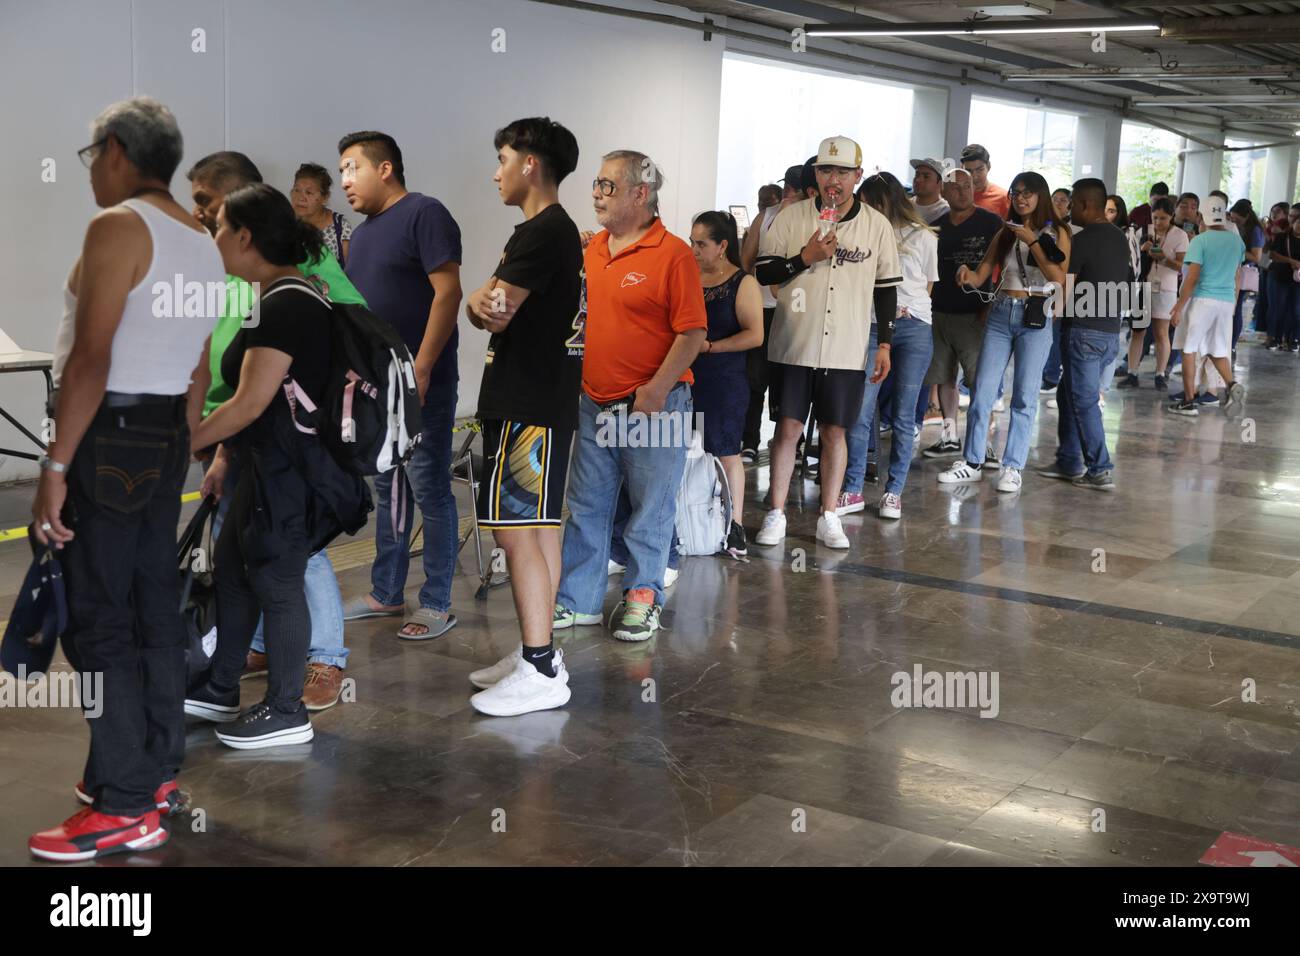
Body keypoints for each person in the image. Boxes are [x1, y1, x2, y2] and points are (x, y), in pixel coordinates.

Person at [28, 97, 224, 861]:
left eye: (90, 160)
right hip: (163, 433)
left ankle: (121, 805)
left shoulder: (119, 228)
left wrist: (54, 466)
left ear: (114, 151)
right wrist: (176, 441)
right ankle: (152, 771)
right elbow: (201, 366)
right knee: (149, 608)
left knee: (100, 618)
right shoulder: (202, 239)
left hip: (107, 434)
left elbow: (90, 358)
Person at [184, 184, 370, 748]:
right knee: (239, 571)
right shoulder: (284, 294)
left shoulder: (285, 304)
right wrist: (222, 457)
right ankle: (220, 687)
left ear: (244, 236)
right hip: (268, 466)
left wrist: (185, 440)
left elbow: (250, 401)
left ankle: (286, 710)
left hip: (294, 474)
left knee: (278, 581)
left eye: (218, 226)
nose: (212, 237)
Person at [553, 150, 706, 642]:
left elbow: (693, 334)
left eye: (608, 186)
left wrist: (656, 390)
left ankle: (643, 596)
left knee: (649, 507)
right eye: (596, 184)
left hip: (651, 405)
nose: (597, 193)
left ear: (641, 194)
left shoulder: (673, 254)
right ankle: (578, 601)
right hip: (595, 400)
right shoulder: (594, 248)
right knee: (587, 505)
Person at [461, 117, 582, 716]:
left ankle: (538, 666)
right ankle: (542, 651)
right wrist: (473, 301)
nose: (496, 171)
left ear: (529, 164)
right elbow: (483, 303)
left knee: (515, 533)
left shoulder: (545, 232)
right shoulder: (544, 232)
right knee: (538, 528)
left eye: (503, 158)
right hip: (539, 401)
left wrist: (475, 302)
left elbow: (495, 309)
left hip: (527, 404)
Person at [339, 131, 463, 640]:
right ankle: (387, 593)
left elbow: (448, 291)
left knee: (429, 487)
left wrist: (425, 366)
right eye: (342, 171)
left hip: (420, 384)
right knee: (389, 487)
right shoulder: (364, 233)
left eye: (352, 168)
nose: (344, 181)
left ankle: (436, 601)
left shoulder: (424, 213)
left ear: (385, 168)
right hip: (379, 386)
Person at [754, 136, 901, 549]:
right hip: (794, 344)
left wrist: (885, 344)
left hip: (847, 347)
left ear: (858, 175)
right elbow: (765, 274)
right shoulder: (790, 218)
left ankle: (829, 515)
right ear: (814, 175)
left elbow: (886, 289)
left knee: (836, 431)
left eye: (841, 172)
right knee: (788, 428)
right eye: (824, 171)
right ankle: (776, 513)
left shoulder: (876, 225)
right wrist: (804, 257)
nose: (832, 180)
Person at [938, 171, 1069, 494]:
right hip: (1001, 313)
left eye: (1027, 193)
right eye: (1015, 193)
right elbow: (982, 274)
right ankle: (971, 461)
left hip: (1035, 318)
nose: (1020, 198)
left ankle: (1012, 467)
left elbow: (1058, 277)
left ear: (1041, 195)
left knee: (1024, 396)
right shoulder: (1005, 232)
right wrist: (967, 274)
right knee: (982, 390)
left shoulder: (1058, 231)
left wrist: (1032, 240)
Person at [841, 171, 937, 520]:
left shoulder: (924, 236)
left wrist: (901, 313)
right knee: (860, 410)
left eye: (868, 200)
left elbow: (927, 285)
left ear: (884, 200)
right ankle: (852, 488)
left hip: (914, 328)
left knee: (903, 413)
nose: (862, 206)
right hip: (868, 326)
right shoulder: (863, 232)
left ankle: (893, 491)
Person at [1038, 179, 1130, 491]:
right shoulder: (1120, 238)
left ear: (1086, 205)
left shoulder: (1084, 239)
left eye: (1073, 203)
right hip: (1109, 333)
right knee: (1068, 393)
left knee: (1084, 401)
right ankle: (1068, 460)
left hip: (1084, 333)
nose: (1070, 209)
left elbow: (1065, 283)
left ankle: (1099, 468)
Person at [689, 211, 763, 549]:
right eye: (692, 242)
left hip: (725, 378)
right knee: (685, 450)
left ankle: (735, 525)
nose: (694, 250)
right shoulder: (689, 277)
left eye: (701, 244)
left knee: (725, 452)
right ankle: (689, 518)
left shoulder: (742, 282)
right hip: (687, 377)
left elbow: (755, 335)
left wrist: (713, 347)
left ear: (721, 246)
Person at [921, 167, 1002, 461]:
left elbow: (1003, 266)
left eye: (968, 186)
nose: (964, 192)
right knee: (944, 377)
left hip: (975, 313)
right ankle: (949, 434)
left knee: (980, 380)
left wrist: (990, 303)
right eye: (956, 188)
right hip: (940, 311)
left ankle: (985, 443)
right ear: (944, 191)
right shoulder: (936, 226)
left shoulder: (991, 222)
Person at [739, 166, 802, 462]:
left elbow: (746, 261)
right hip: (792, 311)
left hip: (766, 309)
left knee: (757, 380)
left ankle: (750, 442)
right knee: (787, 381)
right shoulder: (809, 217)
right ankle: (788, 444)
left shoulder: (766, 216)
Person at [1169, 195, 1247, 416]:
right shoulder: (1236, 241)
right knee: (1216, 349)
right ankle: (1232, 385)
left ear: (1202, 215)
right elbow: (1236, 272)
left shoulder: (1200, 241)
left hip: (1201, 300)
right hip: (1225, 302)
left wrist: (1178, 306)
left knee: (1188, 349)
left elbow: (1192, 278)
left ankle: (1188, 401)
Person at [1118, 197, 1186, 390]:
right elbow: (1132, 259)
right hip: (1142, 287)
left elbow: (1182, 266)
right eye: (1155, 218)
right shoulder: (1142, 232)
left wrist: (1162, 257)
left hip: (1166, 288)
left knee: (1161, 333)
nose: (1158, 222)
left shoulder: (1180, 235)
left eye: (1163, 218)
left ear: (1171, 216)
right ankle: (1132, 372)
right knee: (1137, 331)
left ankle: (1160, 373)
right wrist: (1141, 250)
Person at [291, 162, 353, 266]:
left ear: (325, 197)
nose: (301, 198)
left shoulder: (340, 227)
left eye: (309, 192)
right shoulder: (284, 224)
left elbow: (350, 271)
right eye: (297, 190)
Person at [1228, 198, 1265, 355]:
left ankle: (1232, 345)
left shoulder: (1255, 230)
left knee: (1235, 310)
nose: (1234, 221)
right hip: (1232, 270)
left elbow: (1256, 257)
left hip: (1243, 273)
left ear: (1247, 216)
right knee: (1231, 308)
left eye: (1237, 218)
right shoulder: (1237, 227)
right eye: (1232, 218)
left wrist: (1234, 247)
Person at [1265, 205, 1300, 353]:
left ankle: (1294, 339)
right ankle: (1274, 337)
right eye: (1292, 217)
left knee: (1296, 310)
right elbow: (1272, 254)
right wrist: (1290, 261)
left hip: (1297, 280)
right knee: (1277, 308)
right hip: (1279, 277)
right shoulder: (1282, 236)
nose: (1293, 220)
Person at [960, 144, 1010, 219]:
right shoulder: (955, 195)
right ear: (962, 169)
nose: (974, 176)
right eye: (969, 171)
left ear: (988, 166)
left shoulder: (1003, 197)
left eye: (979, 170)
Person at [910, 157, 950, 224]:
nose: (918, 180)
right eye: (917, 175)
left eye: (926, 176)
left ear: (940, 183)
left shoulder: (945, 212)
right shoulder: (905, 206)